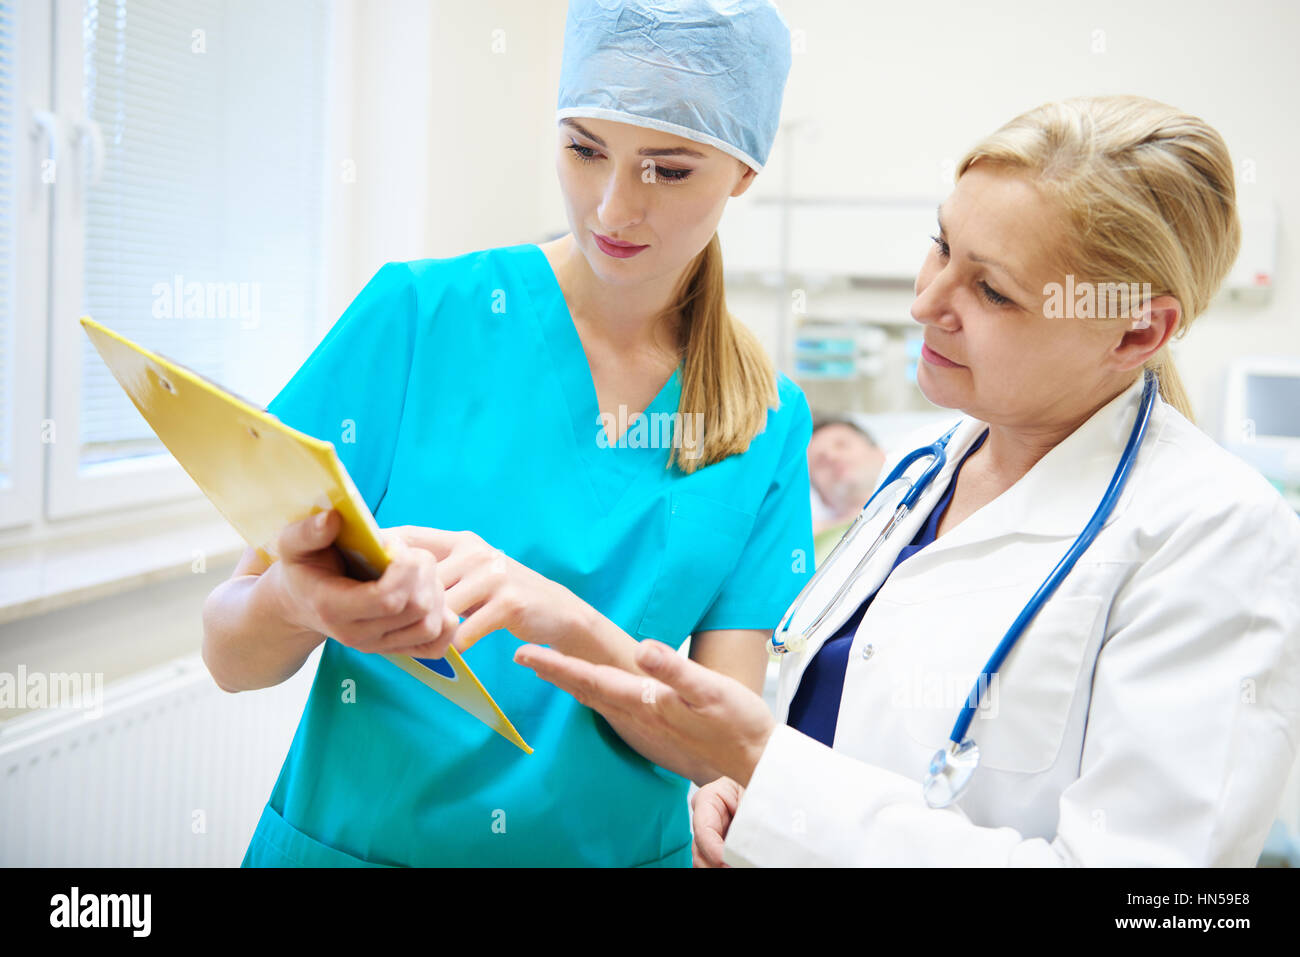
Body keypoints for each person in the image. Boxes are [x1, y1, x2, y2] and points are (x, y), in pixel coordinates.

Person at [516, 95, 1300, 867]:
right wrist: (742, 793)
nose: (925, 302)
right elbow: (828, 739)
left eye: (991, 291)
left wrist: (767, 766)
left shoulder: (1215, 535)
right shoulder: (926, 470)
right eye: (940, 245)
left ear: (1138, 329)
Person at [201, 0, 813, 867]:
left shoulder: (768, 421)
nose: (612, 206)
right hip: (355, 844)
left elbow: (719, 747)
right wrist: (297, 602)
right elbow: (231, 655)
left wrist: (564, 621)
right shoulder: (415, 316)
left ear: (744, 172)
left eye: (668, 170)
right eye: (584, 148)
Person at [808, 416, 886, 564]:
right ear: (821, 495)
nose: (832, 456)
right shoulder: (804, 548)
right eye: (820, 461)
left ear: (880, 454)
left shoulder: (928, 504)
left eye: (842, 445)